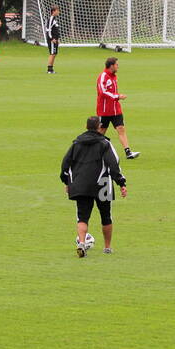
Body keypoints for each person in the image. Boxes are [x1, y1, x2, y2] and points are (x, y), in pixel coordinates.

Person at [61, 116, 128, 257]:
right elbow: (114, 164)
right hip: (102, 184)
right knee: (106, 216)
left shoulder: (76, 143)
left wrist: (67, 182)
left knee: (82, 217)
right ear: (99, 127)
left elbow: (65, 164)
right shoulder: (105, 143)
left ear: (86, 127)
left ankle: (81, 243)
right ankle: (107, 247)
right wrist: (121, 183)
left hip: (80, 184)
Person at [97, 57, 140, 159]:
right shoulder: (103, 76)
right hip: (104, 110)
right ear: (111, 66)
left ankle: (128, 152)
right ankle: (93, 152)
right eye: (117, 65)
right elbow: (102, 92)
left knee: (121, 128)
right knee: (101, 132)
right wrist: (117, 96)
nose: (118, 66)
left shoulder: (113, 76)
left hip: (116, 109)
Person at [44, 6, 61, 75]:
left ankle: (51, 69)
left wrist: (58, 38)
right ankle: (49, 69)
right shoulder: (51, 19)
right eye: (57, 10)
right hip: (52, 40)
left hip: (55, 39)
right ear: (53, 11)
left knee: (54, 54)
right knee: (52, 54)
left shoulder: (55, 19)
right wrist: (52, 39)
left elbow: (56, 30)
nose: (58, 12)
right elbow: (48, 30)